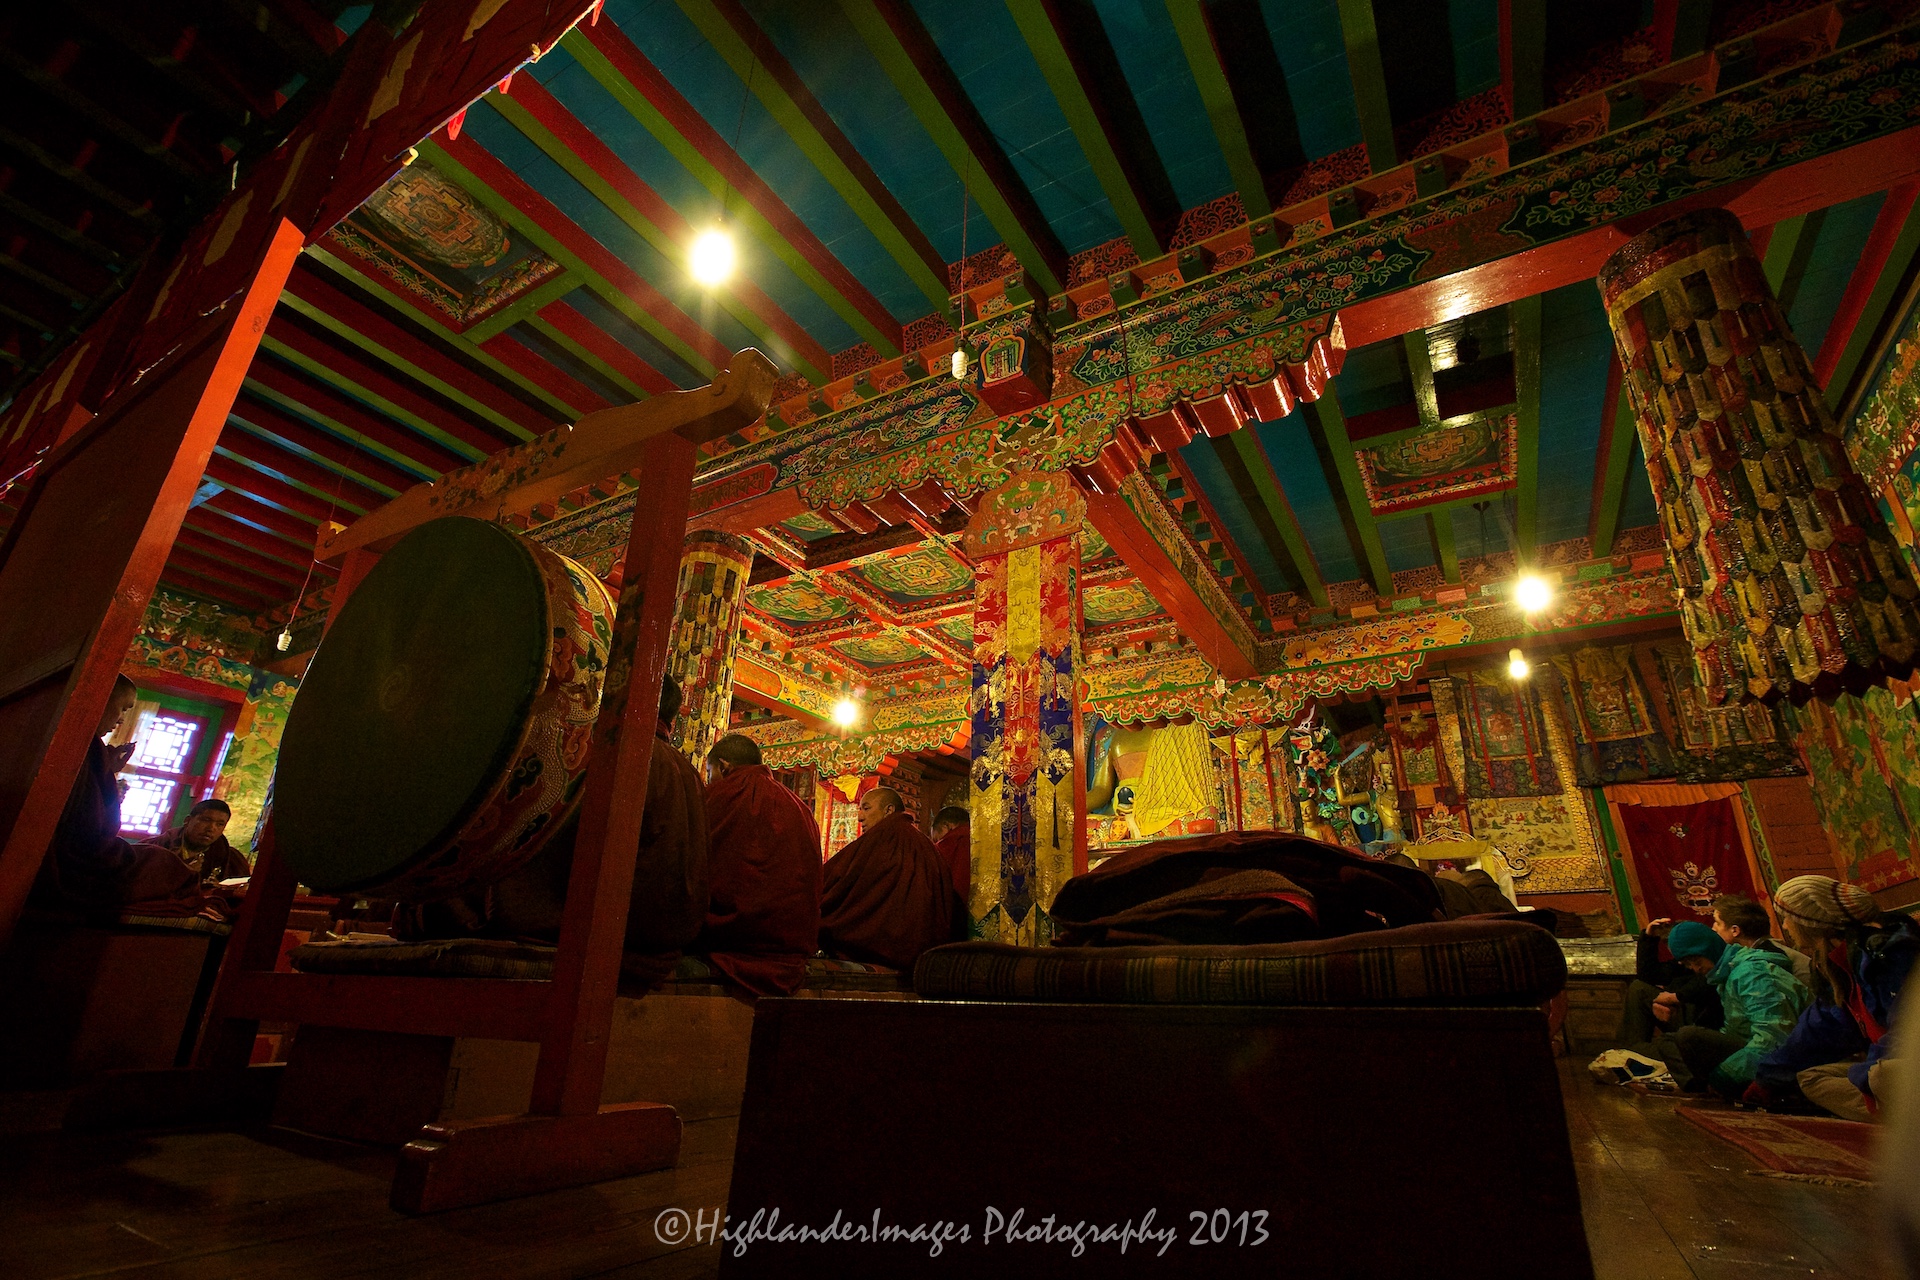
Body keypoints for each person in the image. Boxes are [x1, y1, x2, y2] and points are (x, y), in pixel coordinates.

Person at [398, 675, 709, 981]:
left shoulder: (610, 749)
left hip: (587, 934)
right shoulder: (688, 771)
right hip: (659, 942)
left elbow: (542, 860)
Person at [35, 675, 206, 917]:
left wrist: (109, 770)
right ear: (102, 699)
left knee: (163, 862)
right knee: (169, 866)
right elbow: (91, 829)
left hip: (80, 853)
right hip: (79, 863)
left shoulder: (90, 747)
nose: (121, 719)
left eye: (219, 823)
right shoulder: (82, 744)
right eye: (123, 708)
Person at [1752, 875, 1917, 1122]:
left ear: (1810, 922)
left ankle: (1895, 1113)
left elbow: (1908, 1030)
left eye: (1787, 919)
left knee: (1881, 1076)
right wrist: (1767, 1076)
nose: (1785, 926)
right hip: (1886, 1067)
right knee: (1811, 1078)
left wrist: (1866, 1074)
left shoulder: (1888, 953)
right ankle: (1893, 1111)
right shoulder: (1835, 964)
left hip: (1903, 1059)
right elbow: (1818, 1031)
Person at [691, 733, 822, 996]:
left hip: (728, 940)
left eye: (709, 772)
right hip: (789, 948)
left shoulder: (717, 796)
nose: (709, 780)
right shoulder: (800, 809)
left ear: (724, 766)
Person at [1644, 919, 1807, 1096]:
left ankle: (1721, 1087)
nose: (1696, 969)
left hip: (1780, 1059)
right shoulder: (1727, 974)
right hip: (1751, 1048)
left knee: (1689, 1036)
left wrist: (1727, 1074)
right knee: (1668, 1041)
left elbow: (1774, 1036)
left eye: (1696, 960)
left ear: (1707, 948)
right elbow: (1735, 1030)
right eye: (1689, 965)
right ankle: (1708, 1088)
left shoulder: (1753, 972)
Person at [818, 787, 956, 970]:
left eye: (866, 808)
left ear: (889, 810)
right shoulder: (927, 846)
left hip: (879, 949)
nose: (859, 817)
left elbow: (838, 882)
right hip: (926, 956)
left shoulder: (882, 839)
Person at [1618, 917, 1725, 1047]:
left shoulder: (1714, 956)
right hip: (1684, 1013)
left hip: (1705, 1021)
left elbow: (1709, 982)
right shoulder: (1682, 964)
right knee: (1638, 988)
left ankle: (1634, 1053)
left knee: (1665, 1043)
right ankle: (1632, 1052)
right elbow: (1649, 975)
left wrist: (1673, 998)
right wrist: (1649, 938)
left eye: (1718, 923)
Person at [1710, 893, 1813, 989]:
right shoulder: (1759, 952)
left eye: (1718, 923)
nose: (1714, 928)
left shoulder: (1766, 959)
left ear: (1735, 930)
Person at [152, 799, 250, 886]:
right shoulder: (155, 847)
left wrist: (218, 890)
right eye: (206, 820)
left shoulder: (232, 859)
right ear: (187, 821)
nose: (211, 828)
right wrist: (182, 874)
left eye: (220, 824)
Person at [931, 805, 970, 903]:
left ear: (946, 826)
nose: (937, 843)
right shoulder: (982, 841)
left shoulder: (947, 845)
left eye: (937, 839)